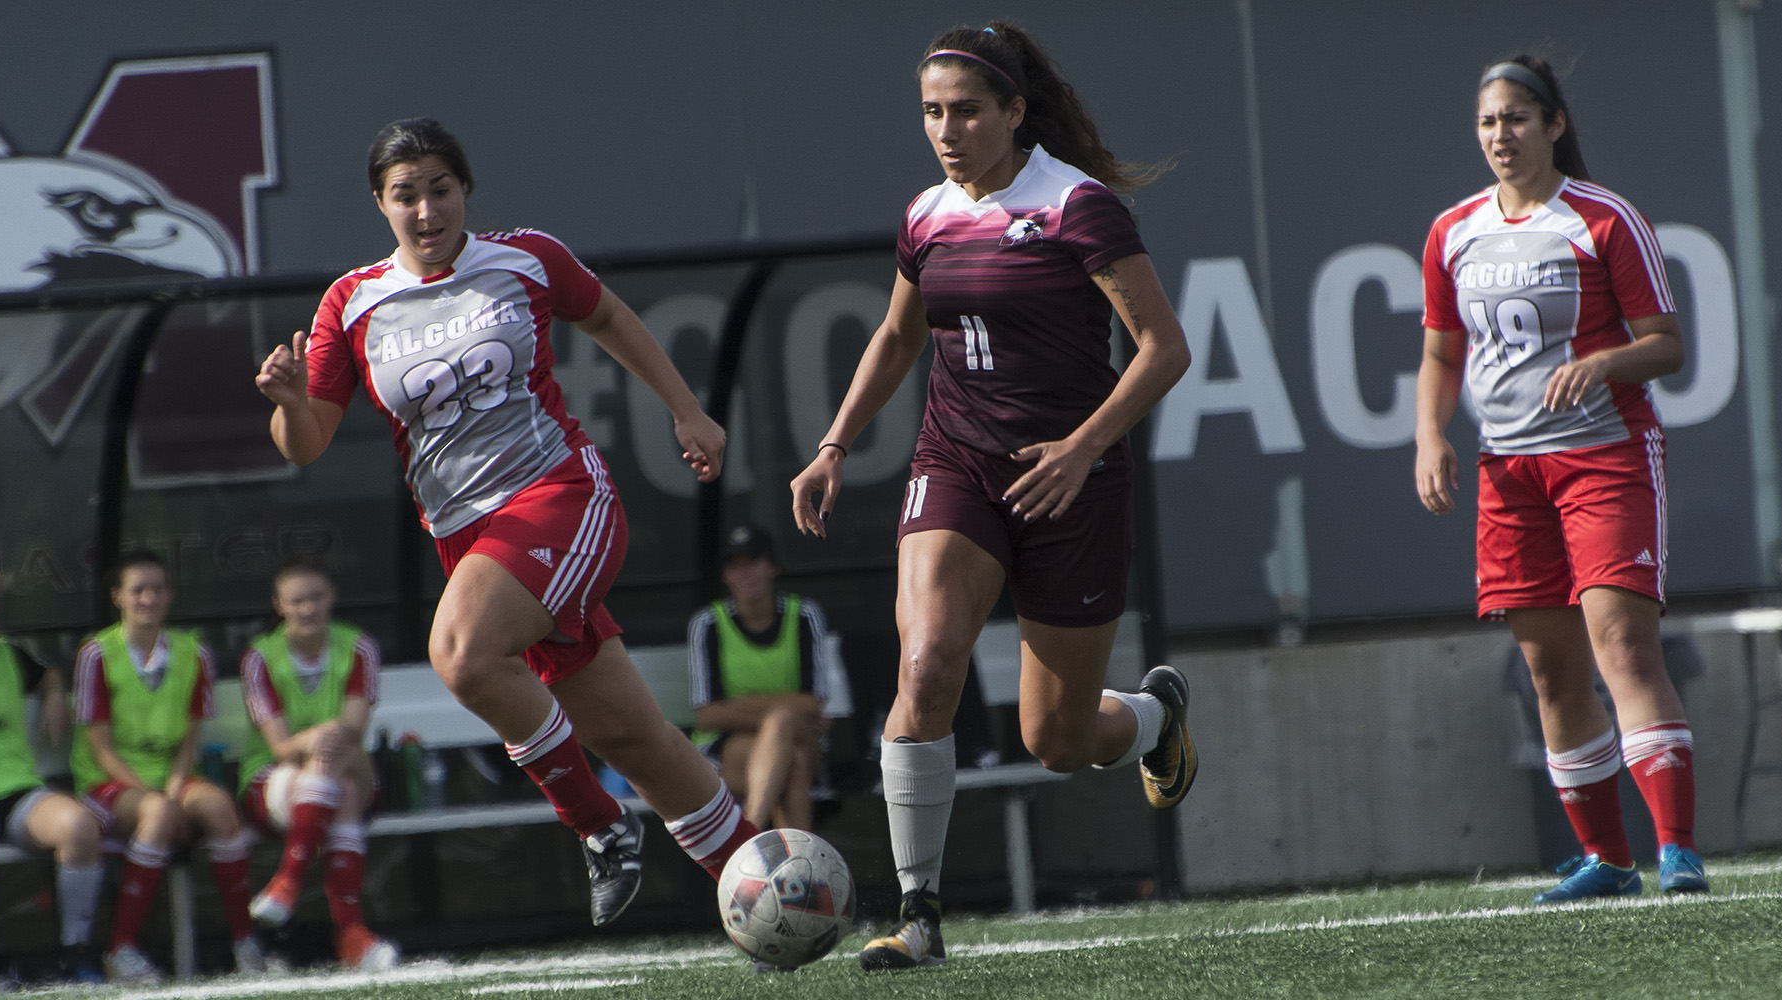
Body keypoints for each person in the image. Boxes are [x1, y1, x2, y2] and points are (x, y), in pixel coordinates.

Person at [254, 117, 760, 929]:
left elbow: (611, 317)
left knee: (459, 652)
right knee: (633, 737)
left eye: (440, 189)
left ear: (467, 189)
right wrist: (287, 404)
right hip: (474, 545)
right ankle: (770, 883)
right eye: (406, 195)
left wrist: (686, 410)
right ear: (380, 203)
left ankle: (598, 825)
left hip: (561, 497)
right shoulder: (351, 303)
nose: (426, 211)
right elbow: (306, 442)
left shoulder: (525, 258)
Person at [789, 21, 1196, 971]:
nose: (946, 130)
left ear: (1015, 113)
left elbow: (1164, 349)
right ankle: (919, 916)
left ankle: (1152, 718)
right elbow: (899, 337)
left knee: (1056, 738)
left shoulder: (1077, 207)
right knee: (927, 664)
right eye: (932, 112)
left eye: (966, 111)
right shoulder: (925, 216)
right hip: (957, 464)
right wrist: (835, 443)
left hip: (1071, 484)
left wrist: (1083, 446)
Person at [1414, 55, 1707, 902]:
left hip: (1604, 457)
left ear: (1554, 125)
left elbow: (1667, 345)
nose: (1500, 135)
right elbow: (1441, 354)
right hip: (1507, 472)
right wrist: (1429, 436)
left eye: (1516, 118)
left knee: (1624, 648)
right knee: (1550, 671)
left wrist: (1605, 362)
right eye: (1487, 122)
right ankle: (1606, 860)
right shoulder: (1452, 231)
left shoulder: (1603, 219)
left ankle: (1677, 851)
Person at [72, 552, 263, 981]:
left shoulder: (194, 653)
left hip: (169, 777)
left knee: (218, 807)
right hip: (108, 781)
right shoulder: (96, 653)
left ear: (170, 595)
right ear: (118, 597)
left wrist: (174, 790)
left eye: (157, 589)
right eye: (138, 590)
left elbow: (189, 741)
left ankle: (245, 942)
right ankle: (121, 950)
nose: (148, 598)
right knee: (157, 813)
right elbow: (101, 749)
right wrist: (158, 798)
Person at [237, 558, 396, 970]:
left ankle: (288, 881)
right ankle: (352, 935)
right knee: (340, 789)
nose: (307, 608)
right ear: (279, 605)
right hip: (275, 780)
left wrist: (324, 738)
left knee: (334, 762)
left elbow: (354, 732)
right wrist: (312, 739)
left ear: (332, 597)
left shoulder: (358, 646)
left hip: (348, 763)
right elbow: (280, 749)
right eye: (296, 601)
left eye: (316, 597)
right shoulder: (260, 656)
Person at [0, 583, 106, 985]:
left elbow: (49, 674)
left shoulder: (10, 654)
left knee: (80, 826)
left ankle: (75, 952)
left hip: (19, 791)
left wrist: (55, 693)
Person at [685, 525, 834, 833]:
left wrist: (737, 706)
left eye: (753, 561)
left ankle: (748, 836)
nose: (745, 573)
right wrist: (780, 718)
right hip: (731, 745)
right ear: (725, 575)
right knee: (792, 761)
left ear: (773, 567)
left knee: (784, 725)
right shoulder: (707, 623)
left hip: (803, 737)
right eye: (735, 565)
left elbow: (812, 703)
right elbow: (708, 715)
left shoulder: (805, 615)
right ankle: (795, 860)